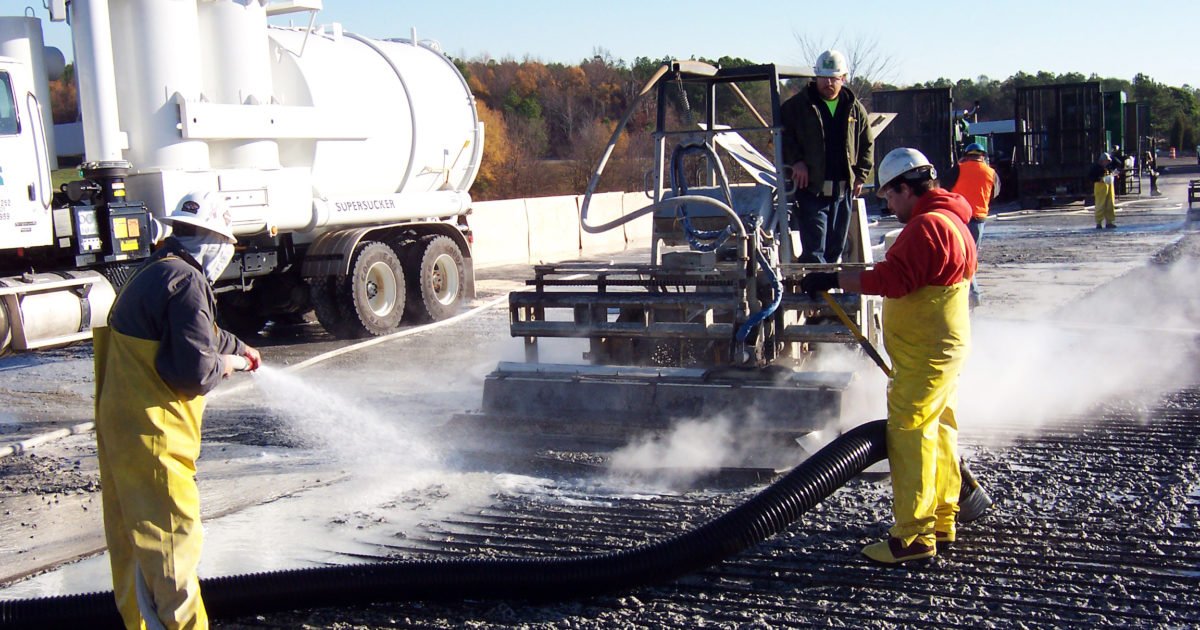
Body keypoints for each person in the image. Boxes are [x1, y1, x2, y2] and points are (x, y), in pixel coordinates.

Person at [800, 148, 976, 564]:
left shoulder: (927, 227)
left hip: (925, 354)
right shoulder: (953, 220)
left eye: (890, 196)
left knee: (910, 434)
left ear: (906, 188)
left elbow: (892, 279)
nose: (889, 205)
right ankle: (943, 518)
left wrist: (833, 278)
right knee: (940, 429)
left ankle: (913, 537)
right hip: (942, 349)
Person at [94, 191, 261, 629]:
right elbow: (194, 371)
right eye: (226, 243)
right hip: (157, 437)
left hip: (125, 432)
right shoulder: (188, 281)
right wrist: (230, 363)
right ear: (213, 240)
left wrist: (239, 346)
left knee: (135, 550)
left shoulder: (155, 269)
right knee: (173, 552)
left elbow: (195, 332)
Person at [781, 49, 874, 263]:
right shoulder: (796, 107)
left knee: (835, 250)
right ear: (816, 77)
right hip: (812, 190)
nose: (828, 83)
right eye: (823, 77)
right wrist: (796, 162)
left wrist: (860, 175)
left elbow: (867, 143)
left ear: (843, 78)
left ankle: (830, 284)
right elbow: (782, 138)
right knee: (815, 252)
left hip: (842, 193)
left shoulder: (854, 108)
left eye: (833, 78)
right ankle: (815, 285)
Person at [948, 143, 999, 308]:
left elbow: (943, 187)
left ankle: (972, 294)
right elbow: (995, 193)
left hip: (958, 218)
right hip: (978, 220)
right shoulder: (991, 173)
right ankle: (971, 295)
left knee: (958, 257)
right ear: (983, 156)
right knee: (970, 257)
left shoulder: (958, 169)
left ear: (966, 155)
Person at [1088, 152, 1118, 229]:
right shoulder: (1095, 168)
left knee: (1110, 204)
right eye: (1106, 161)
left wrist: (1114, 174)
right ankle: (1099, 223)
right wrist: (1100, 179)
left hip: (1109, 186)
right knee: (1100, 205)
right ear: (1102, 160)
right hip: (1100, 187)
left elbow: (1118, 165)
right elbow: (1091, 177)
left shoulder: (1108, 167)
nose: (1108, 162)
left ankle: (1109, 222)